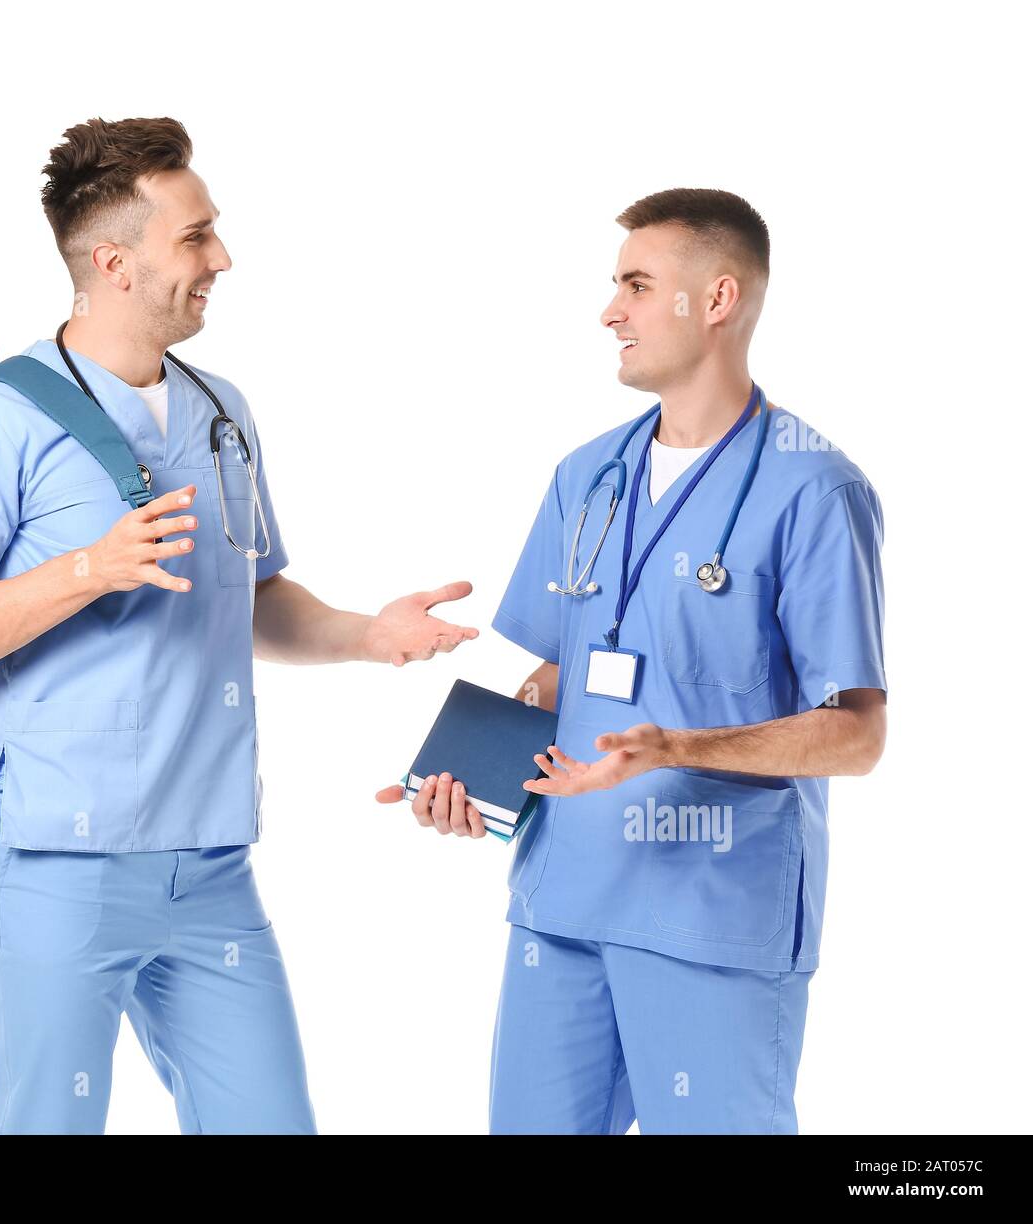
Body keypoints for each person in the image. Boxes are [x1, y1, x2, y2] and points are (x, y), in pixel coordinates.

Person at [0, 115, 477, 1135]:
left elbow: (245, 598)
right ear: (114, 261)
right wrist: (86, 569)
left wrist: (364, 634)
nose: (222, 258)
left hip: (208, 865)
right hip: (55, 865)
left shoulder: (221, 409)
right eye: (195, 237)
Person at [378, 188, 886, 1134]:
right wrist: (468, 780)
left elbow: (856, 737)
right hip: (561, 903)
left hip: (709, 919)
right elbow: (558, 676)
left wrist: (672, 747)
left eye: (637, 286)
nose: (610, 311)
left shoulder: (814, 488)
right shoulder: (588, 476)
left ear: (718, 299)